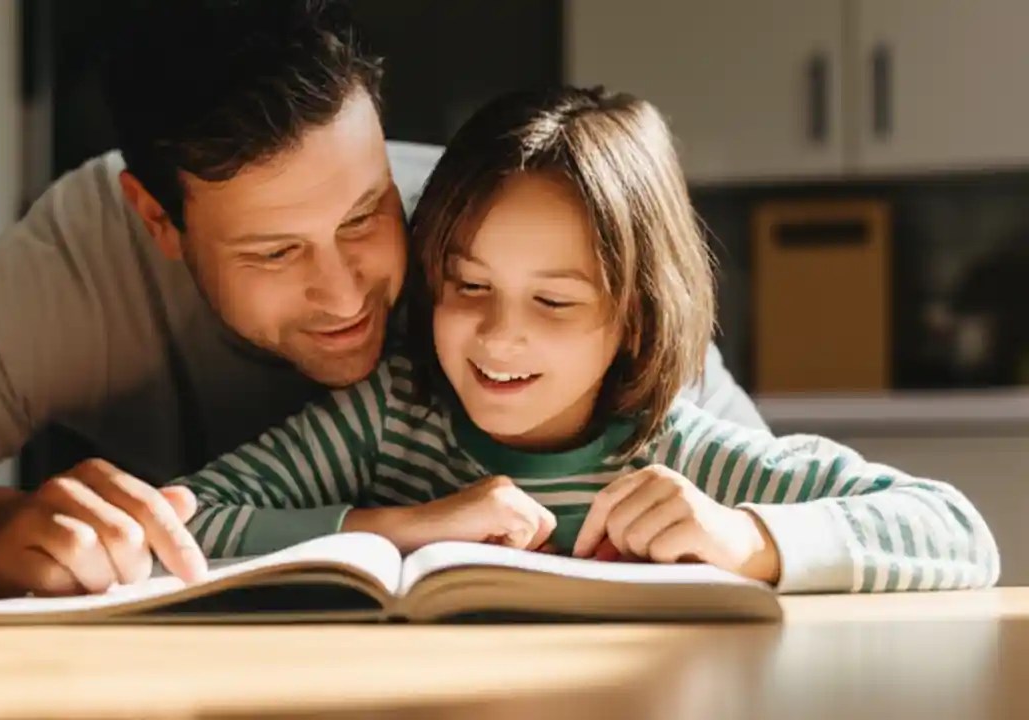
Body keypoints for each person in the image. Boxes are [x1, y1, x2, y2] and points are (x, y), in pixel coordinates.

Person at [0, 1, 763, 600]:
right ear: (157, 220)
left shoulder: (486, 243)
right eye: (275, 250)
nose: (347, 290)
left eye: (367, 215)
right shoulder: (85, 256)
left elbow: (732, 489)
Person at [176, 86, 999, 592]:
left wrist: (747, 540)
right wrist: (406, 526)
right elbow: (185, 524)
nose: (500, 336)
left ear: (634, 317)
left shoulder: (673, 448)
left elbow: (956, 530)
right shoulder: (393, 414)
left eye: (555, 302)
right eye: (469, 287)